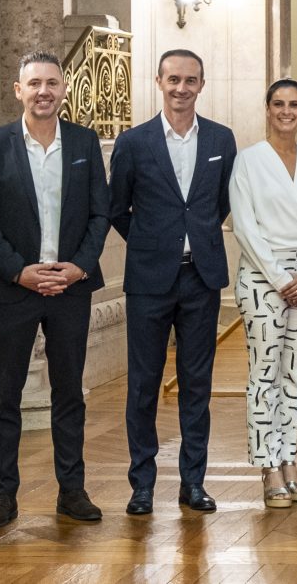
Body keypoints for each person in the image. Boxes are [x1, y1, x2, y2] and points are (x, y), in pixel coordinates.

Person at [0, 53, 110, 529]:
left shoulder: (86, 142)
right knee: (5, 395)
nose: (43, 91)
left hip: (71, 287)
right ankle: (3, 497)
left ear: (64, 88)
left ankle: (72, 491)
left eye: (52, 82)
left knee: (69, 393)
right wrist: (19, 271)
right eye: (34, 83)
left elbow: (99, 214)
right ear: (18, 90)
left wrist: (79, 268)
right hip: (15, 289)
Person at [109, 49, 238, 516]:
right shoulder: (133, 142)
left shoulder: (222, 138)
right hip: (149, 280)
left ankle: (194, 482)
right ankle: (141, 485)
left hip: (201, 279)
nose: (181, 88)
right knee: (143, 384)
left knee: (196, 384)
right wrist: (152, 242)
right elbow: (116, 209)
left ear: (202, 84)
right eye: (173, 80)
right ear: (158, 82)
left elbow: (223, 201)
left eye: (191, 80)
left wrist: (194, 238)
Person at [229, 78, 297, 509]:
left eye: (294, 104)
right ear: (268, 108)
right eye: (279, 104)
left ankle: (290, 460)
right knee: (264, 374)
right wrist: (279, 279)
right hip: (262, 278)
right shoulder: (248, 161)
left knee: (294, 376)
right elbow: (244, 226)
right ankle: (267, 466)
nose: (286, 111)